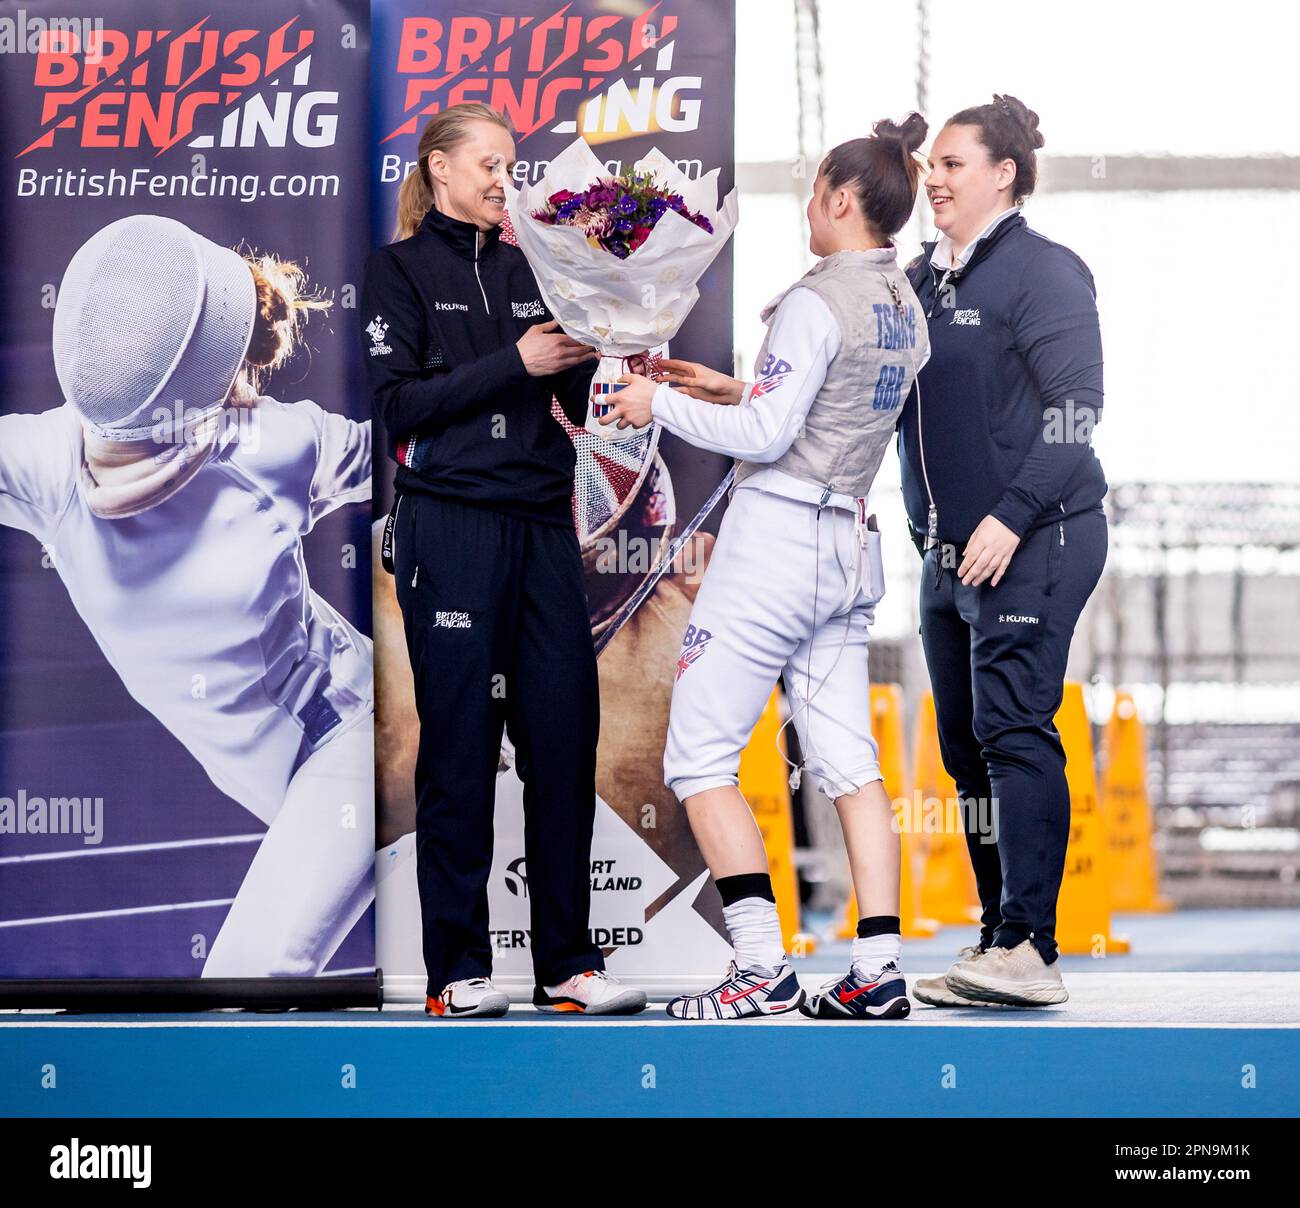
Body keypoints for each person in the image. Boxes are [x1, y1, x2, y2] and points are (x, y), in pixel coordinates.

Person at [606, 114, 931, 1020]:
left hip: (776, 547)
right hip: (849, 549)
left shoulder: (813, 299)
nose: (808, 207)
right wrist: (729, 387)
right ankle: (879, 967)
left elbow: (765, 437)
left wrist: (656, 399)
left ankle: (760, 965)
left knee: (701, 755)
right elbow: (811, 412)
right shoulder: (908, 308)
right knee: (848, 764)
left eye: (815, 192)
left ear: (838, 198)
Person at [0, 213, 375, 978]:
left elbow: (434, 462)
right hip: (289, 787)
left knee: (245, 985)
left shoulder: (279, 444)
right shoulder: (44, 460)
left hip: (365, 744)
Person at [361, 102, 646, 1017]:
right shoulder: (397, 271)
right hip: (449, 528)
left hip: (543, 527)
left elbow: (573, 385)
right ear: (438, 168)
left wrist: (613, 329)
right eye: (486, 163)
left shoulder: (540, 265)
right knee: (457, 750)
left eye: (511, 166)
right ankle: (457, 972)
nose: (502, 179)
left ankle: (568, 965)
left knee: (563, 746)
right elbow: (398, 405)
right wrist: (514, 362)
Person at [897, 95, 1107, 1008]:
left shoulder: (1043, 273)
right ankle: (995, 935)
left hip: (1041, 535)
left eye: (951, 164)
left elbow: (1076, 408)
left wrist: (1013, 515)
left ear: (1003, 173)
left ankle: (1033, 945)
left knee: (1015, 728)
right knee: (963, 748)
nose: (931, 179)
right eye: (929, 165)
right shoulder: (920, 282)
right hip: (950, 554)